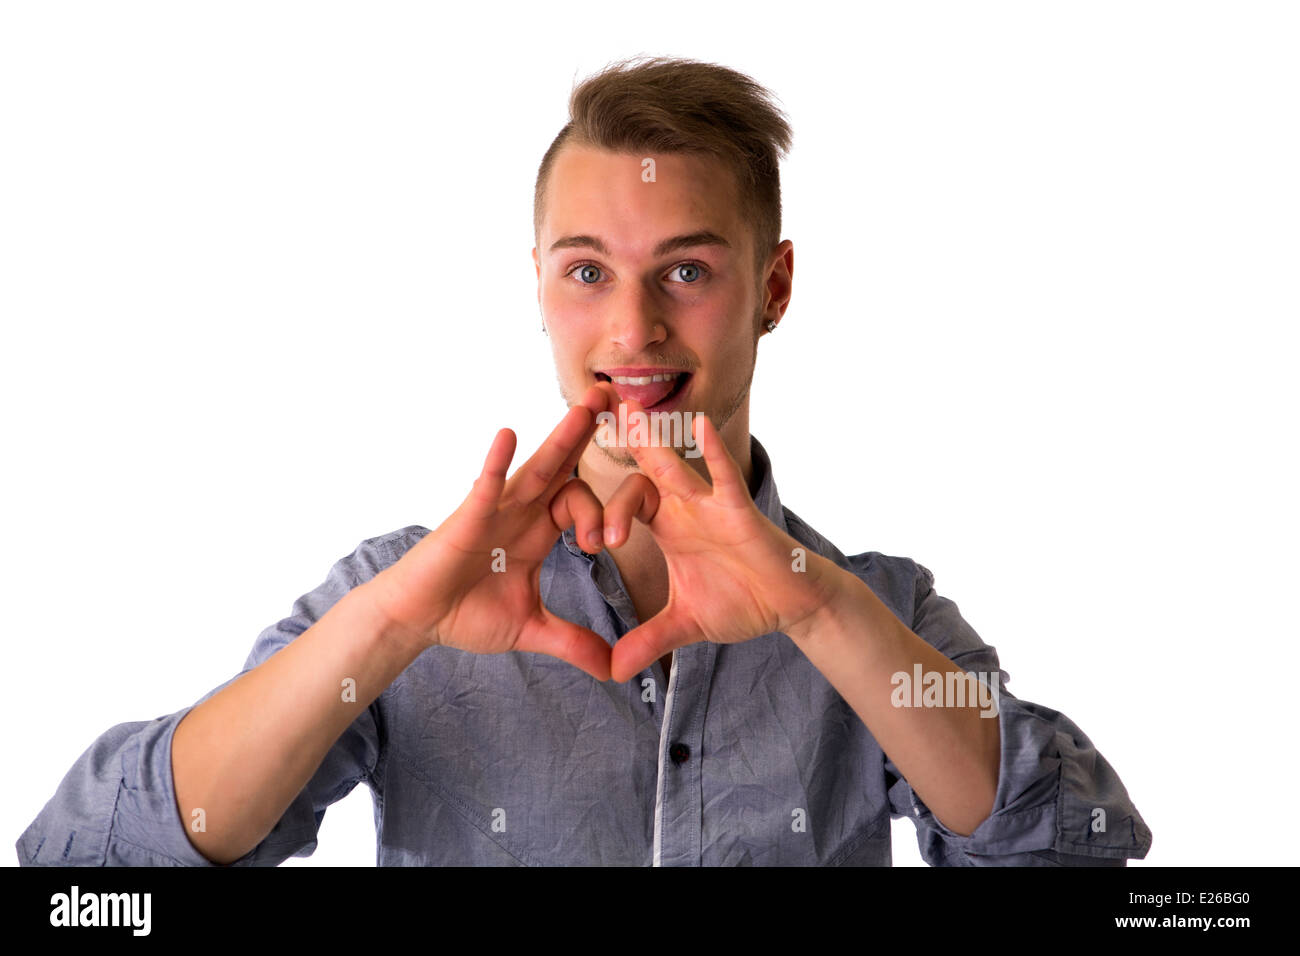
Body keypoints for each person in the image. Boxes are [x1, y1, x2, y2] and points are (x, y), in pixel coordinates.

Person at [16, 55, 1151, 866]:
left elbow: (1078, 848)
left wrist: (818, 617)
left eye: (689, 271)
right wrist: (386, 628)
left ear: (774, 287)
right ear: (540, 286)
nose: (632, 331)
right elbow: (90, 867)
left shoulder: (877, 610)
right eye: (587, 271)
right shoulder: (406, 593)